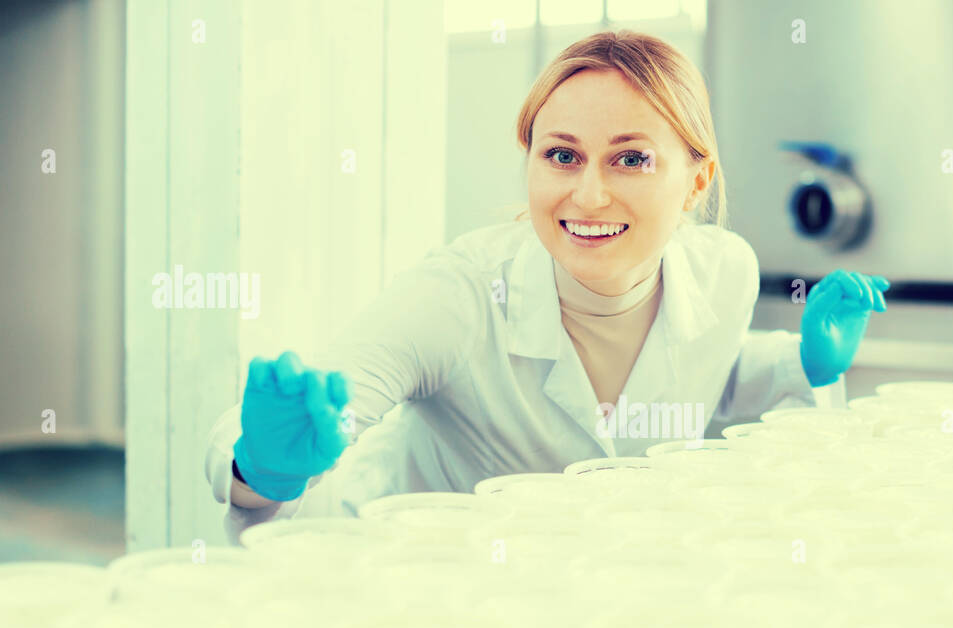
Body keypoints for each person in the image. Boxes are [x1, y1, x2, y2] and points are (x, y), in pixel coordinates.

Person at [203, 30, 887, 541]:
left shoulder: (725, 268)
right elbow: (329, 402)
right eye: (561, 155)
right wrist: (261, 469)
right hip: (442, 593)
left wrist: (804, 362)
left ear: (695, 182)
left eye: (631, 159)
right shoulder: (460, 297)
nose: (588, 195)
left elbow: (715, 372)